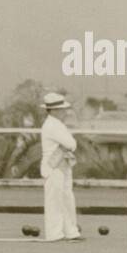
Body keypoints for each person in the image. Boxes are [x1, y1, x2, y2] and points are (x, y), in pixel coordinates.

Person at [40, 92, 83, 242]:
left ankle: (70, 231)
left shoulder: (57, 124)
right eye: (61, 109)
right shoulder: (52, 125)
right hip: (53, 166)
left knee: (66, 198)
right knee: (55, 199)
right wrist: (70, 144)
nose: (64, 111)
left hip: (62, 164)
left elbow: (71, 145)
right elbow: (71, 144)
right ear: (53, 110)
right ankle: (54, 233)